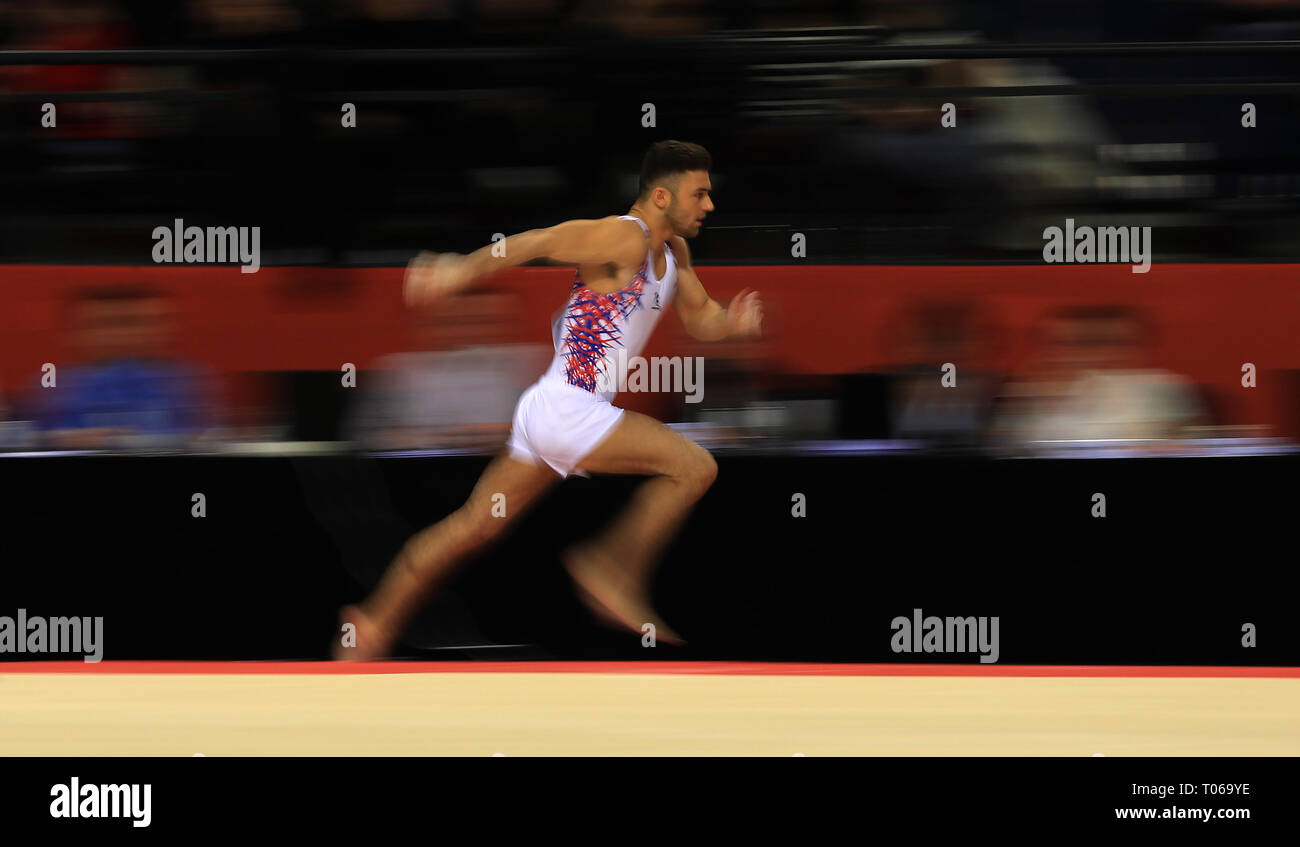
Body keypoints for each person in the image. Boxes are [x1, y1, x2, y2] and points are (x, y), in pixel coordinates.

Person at [334, 140, 763, 659]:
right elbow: (539, 240)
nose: (709, 205)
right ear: (661, 196)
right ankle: (609, 565)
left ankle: (372, 621)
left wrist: (732, 324)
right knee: (695, 468)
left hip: (551, 411)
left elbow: (700, 317)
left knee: (472, 525)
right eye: (700, 194)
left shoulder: (674, 254)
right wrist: (458, 270)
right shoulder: (623, 236)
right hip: (570, 409)